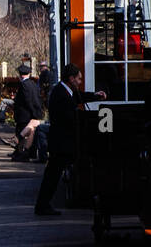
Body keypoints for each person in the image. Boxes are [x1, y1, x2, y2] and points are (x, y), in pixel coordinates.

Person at [35, 63, 106, 215]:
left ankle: (43, 204)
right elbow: (69, 116)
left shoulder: (65, 91)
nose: (80, 82)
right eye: (79, 79)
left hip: (61, 142)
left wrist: (95, 96)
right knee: (52, 175)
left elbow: (78, 97)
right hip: (61, 143)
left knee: (53, 174)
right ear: (71, 78)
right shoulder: (61, 94)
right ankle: (42, 205)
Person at [11, 64, 44, 160]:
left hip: (24, 114)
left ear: (21, 75)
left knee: (21, 132)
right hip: (32, 113)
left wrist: (33, 113)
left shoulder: (23, 85)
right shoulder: (33, 84)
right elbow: (37, 98)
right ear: (29, 74)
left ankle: (21, 153)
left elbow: (27, 100)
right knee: (30, 134)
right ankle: (21, 152)